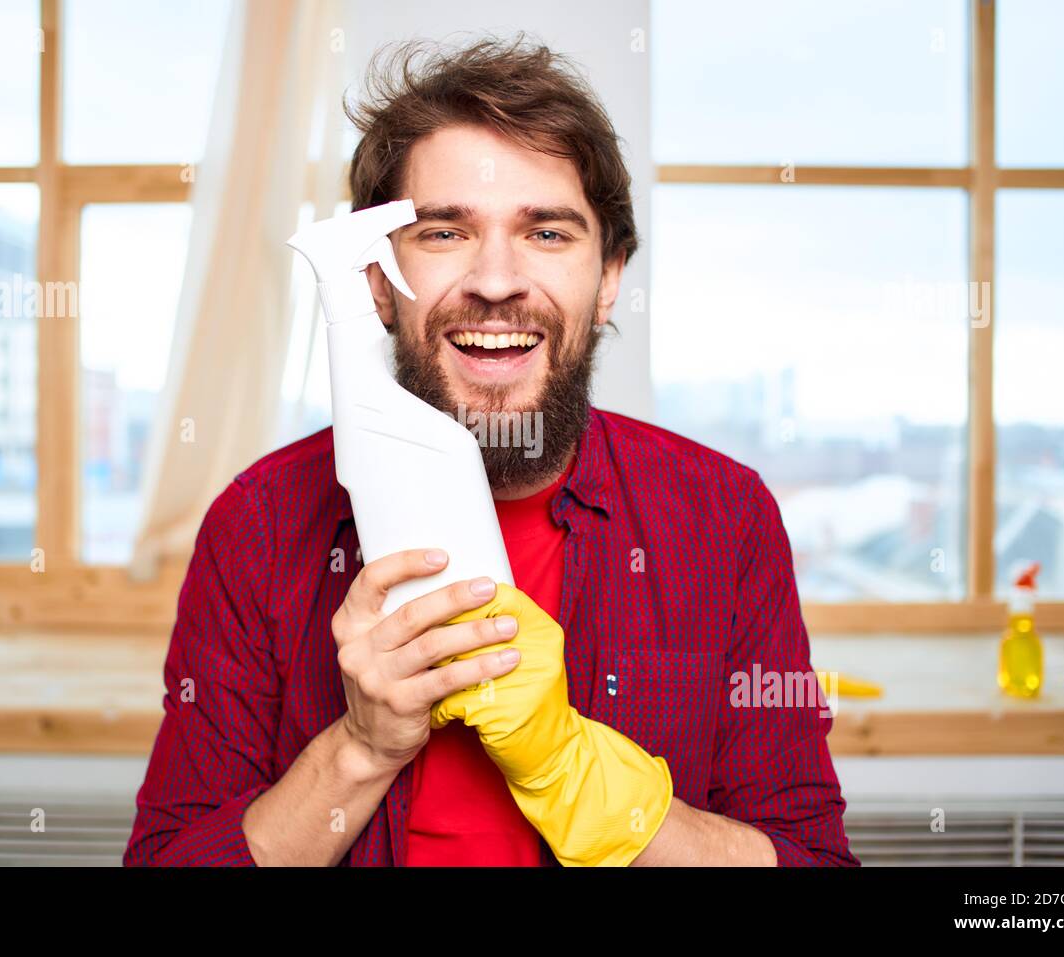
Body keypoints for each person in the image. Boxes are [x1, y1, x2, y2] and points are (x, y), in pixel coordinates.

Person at [124, 34, 859, 867]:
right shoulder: (259, 525)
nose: (498, 281)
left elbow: (812, 859)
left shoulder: (722, 517)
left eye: (547, 233)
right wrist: (361, 749)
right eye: (444, 233)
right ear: (376, 279)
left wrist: (573, 770)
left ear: (610, 275)